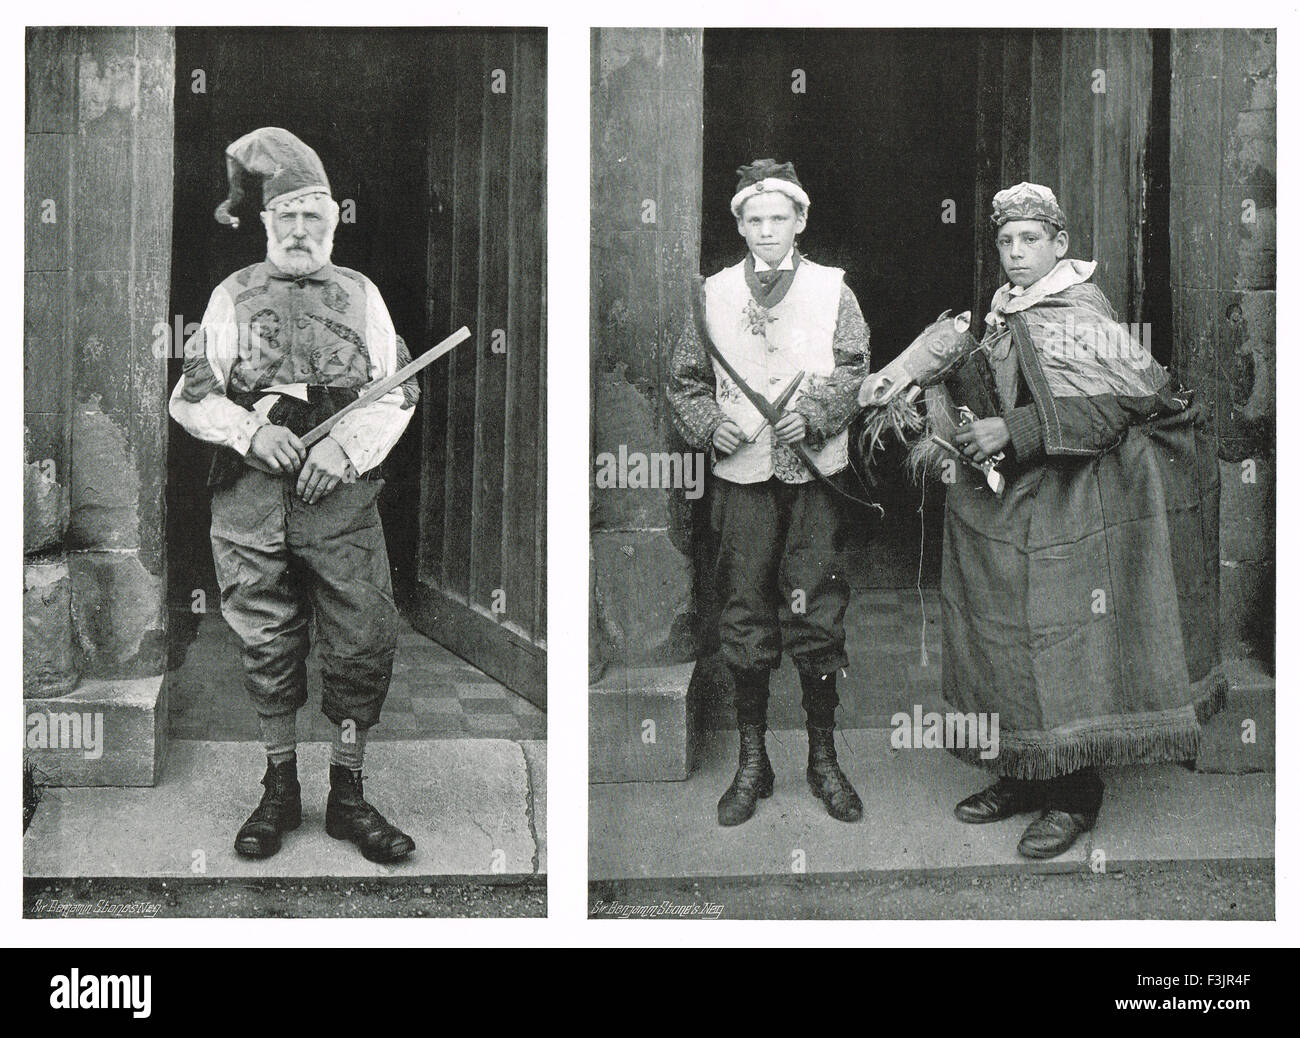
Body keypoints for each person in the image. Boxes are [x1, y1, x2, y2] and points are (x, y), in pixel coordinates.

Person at [942, 182, 1222, 858]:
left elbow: (1117, 405)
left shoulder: (1076, 308)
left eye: (1029, 240)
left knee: (1062, 640)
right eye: (1006, 241)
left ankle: (1073, 795)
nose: (1015, 254)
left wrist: (1011, 428)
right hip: (1012, 494)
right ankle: (1021, 770)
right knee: (1004, 631)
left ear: (1059, 244)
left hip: (1073, 494)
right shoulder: (1006, 310)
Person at [169, 127, 421, 863]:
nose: (302, 230)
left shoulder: (362, 295)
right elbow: (191, 395)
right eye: (288, 217)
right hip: (252, 490)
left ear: (336, 220)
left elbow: (398, 391)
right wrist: (250, 433)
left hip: (338, 492)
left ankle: (347, 794)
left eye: (315, 216)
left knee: (361, 635)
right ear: (267, 223)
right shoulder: (232, 294)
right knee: (265, 638)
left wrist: (344, 447)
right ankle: (280, 789)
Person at [667, 158, 870, 827]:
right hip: (744, 478)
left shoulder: (833, 289)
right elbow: (685, 378)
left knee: (817, 611)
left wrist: (814, 413)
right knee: (744, 608)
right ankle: (753, 761)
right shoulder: (714, 293)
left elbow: (855, 367)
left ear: (801, 220)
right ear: (740, 224)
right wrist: (708, 424)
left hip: (813, 475)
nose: (765, 231)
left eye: (778, 218)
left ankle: (823, 759)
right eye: (753, 220)